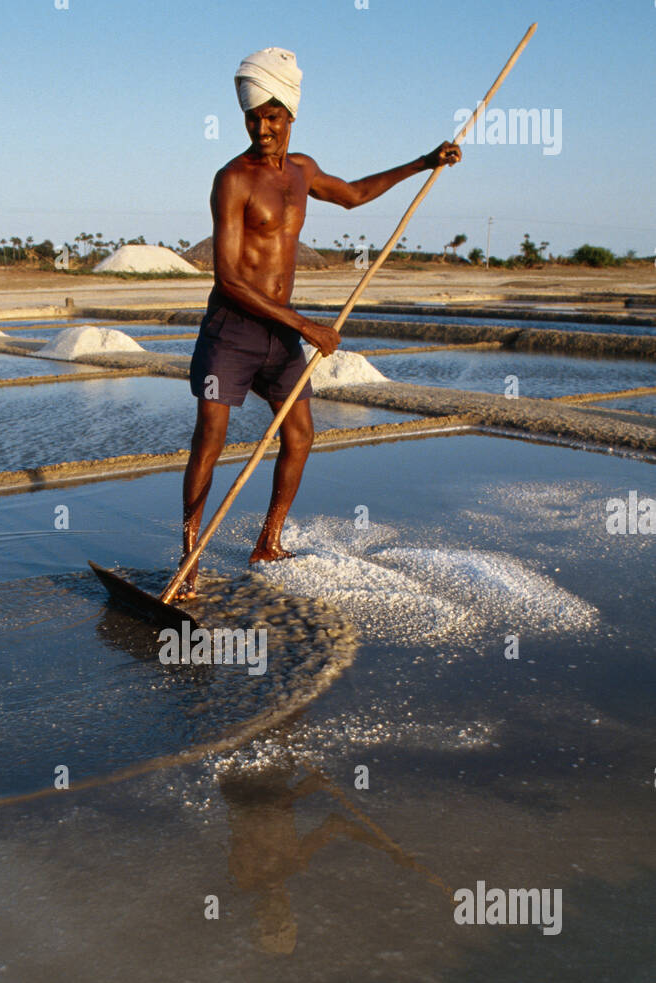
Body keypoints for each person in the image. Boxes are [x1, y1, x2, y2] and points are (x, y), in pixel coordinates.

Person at [179, 46, 461, 597]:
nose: (262, 127)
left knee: (301, 437)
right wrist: (308, 327)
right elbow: (230, 281)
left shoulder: (303, 170)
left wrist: (423, 162)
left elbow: (354, 196)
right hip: (232, 332)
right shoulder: (232, 179)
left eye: (273, 117)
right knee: (209, 441)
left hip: (279, 333)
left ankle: (269, 540)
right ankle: (189, 555)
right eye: (253, 117)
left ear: (290, 117)